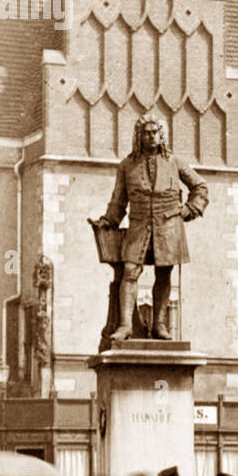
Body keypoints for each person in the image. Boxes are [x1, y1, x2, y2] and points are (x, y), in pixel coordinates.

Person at [92, 112, 208, 340]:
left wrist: (190, 209)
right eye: (146, 133)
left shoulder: (175, 162)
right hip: (139, 225)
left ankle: (160, 325)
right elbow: (119, 199)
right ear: (139, 136)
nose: (151, 137)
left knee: (164, 274)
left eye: (155, 132)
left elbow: (200, 187)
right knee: (130, 271)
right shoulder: (126, 165)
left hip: (169, 227)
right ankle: (125, 326)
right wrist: (108, 220)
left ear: (161, 135)